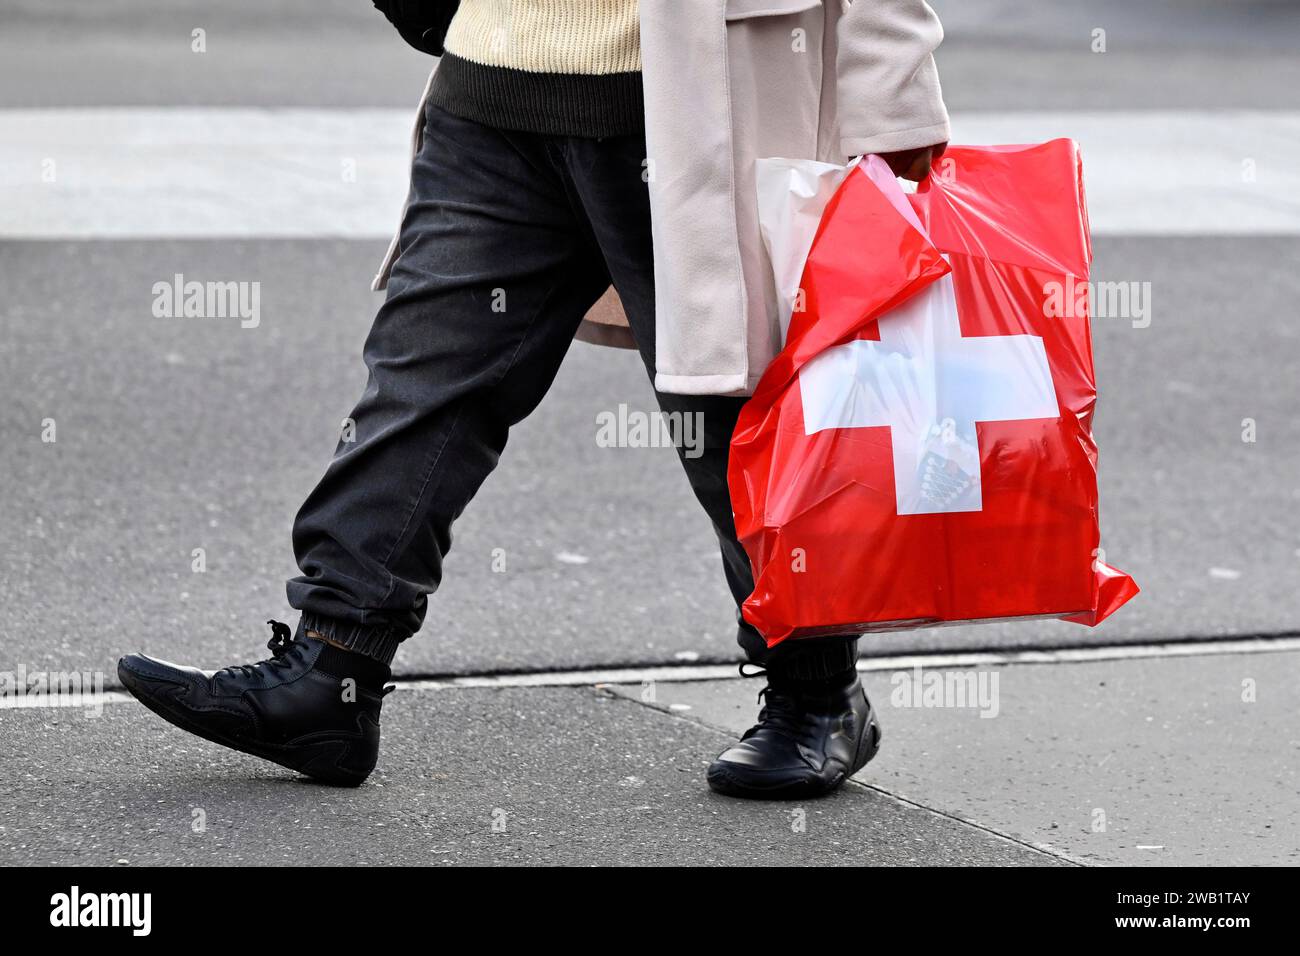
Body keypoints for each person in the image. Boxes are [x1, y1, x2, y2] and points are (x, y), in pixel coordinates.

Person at [118, 0, 949, 798]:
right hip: (495, 76)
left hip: (690, 96)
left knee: (732, 412)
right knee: (421, 385)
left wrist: (893, 108)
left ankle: (816, 690)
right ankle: (332, 670)